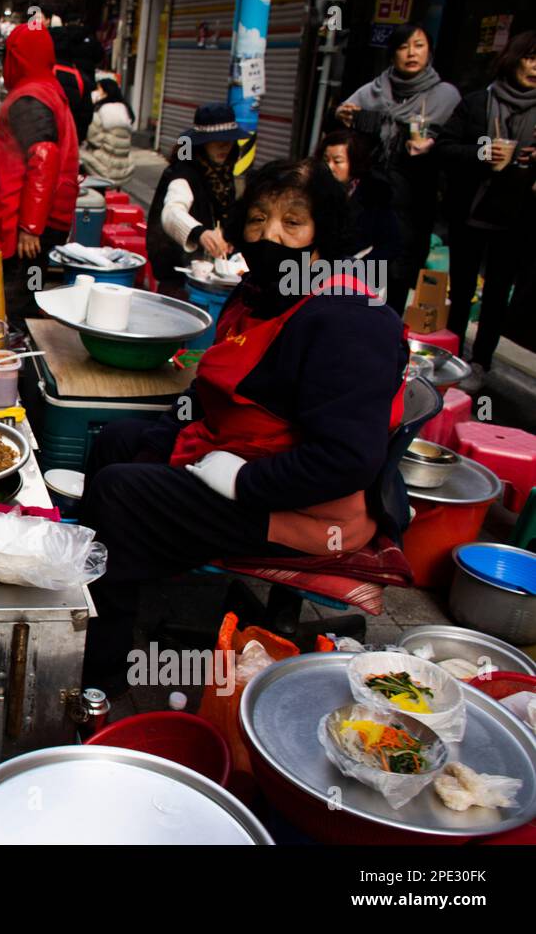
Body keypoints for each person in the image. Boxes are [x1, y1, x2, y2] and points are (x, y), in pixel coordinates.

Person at [78, 159, 408, 691]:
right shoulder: (256, 294)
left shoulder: (348, 317)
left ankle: (100, 674)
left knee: (120, 492)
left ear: (323, 230)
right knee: (118, 440)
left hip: (301, 508)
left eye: (292, 222)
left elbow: (348, 458)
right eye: (257, 218)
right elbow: (209, 396)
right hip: (231, 452)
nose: (268, 234)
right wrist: (164, 439)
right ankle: (108, 588)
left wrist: (241, 482)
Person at [336, 24, 461, 314]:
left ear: (429, 51)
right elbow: (342, 116)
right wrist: (342, 114)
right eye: (403, 47)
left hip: (416, 198)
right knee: (365, 271)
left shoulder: (446, 96)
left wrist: (434, 146)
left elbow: (465, 144)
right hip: (374, 197)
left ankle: (390, 329)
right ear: (392, 54)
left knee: (400, 272)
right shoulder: (375, 89)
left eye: (418, 45)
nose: (411, 53)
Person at [436, 30, 536, 388]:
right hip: (472, 212)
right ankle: (450, 355)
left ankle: (481, 362)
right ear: (513, 59)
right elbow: (444, 148)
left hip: (517, 217)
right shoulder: (477, 103)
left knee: (497, 293)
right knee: (462, 290)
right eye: (529, 58)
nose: (535, 67)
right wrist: (480, 153)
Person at [0, 22, 79, 331]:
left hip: (20, 225)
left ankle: (14, 365)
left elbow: (44, 156)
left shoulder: (30, 97)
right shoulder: (48, 90)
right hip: (35, 221)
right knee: (27, 295)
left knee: (15, 304)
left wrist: (30, 227)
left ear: (17, 57)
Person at [146, 103, 249, 297]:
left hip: (213, 279)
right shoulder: (183, 172)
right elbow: (172, 213)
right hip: (178, 279)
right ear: (202, 142)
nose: (224, 146)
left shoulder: (225, 174)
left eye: (228, 140)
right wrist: (199, 234)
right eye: (217, 140)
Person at [315, 129, 399, 274]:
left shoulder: (375, 195)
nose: (329, 167)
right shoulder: (313, 190)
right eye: (325, 160)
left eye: (337, 161)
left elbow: (388, 245)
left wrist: (354, 269)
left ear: (354, 162)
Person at [80, 78, 135, 183]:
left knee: (78, 154)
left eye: (98, 89)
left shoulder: (99, 113)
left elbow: (93, 139)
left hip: (104, 168)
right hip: (124, 169)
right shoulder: (125, 112)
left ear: (105, 92)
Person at [52, 57, 90, 145]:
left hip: (49, 137)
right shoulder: (82, 78)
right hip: (72, 138)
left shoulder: (47, 73)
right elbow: (86, 115)